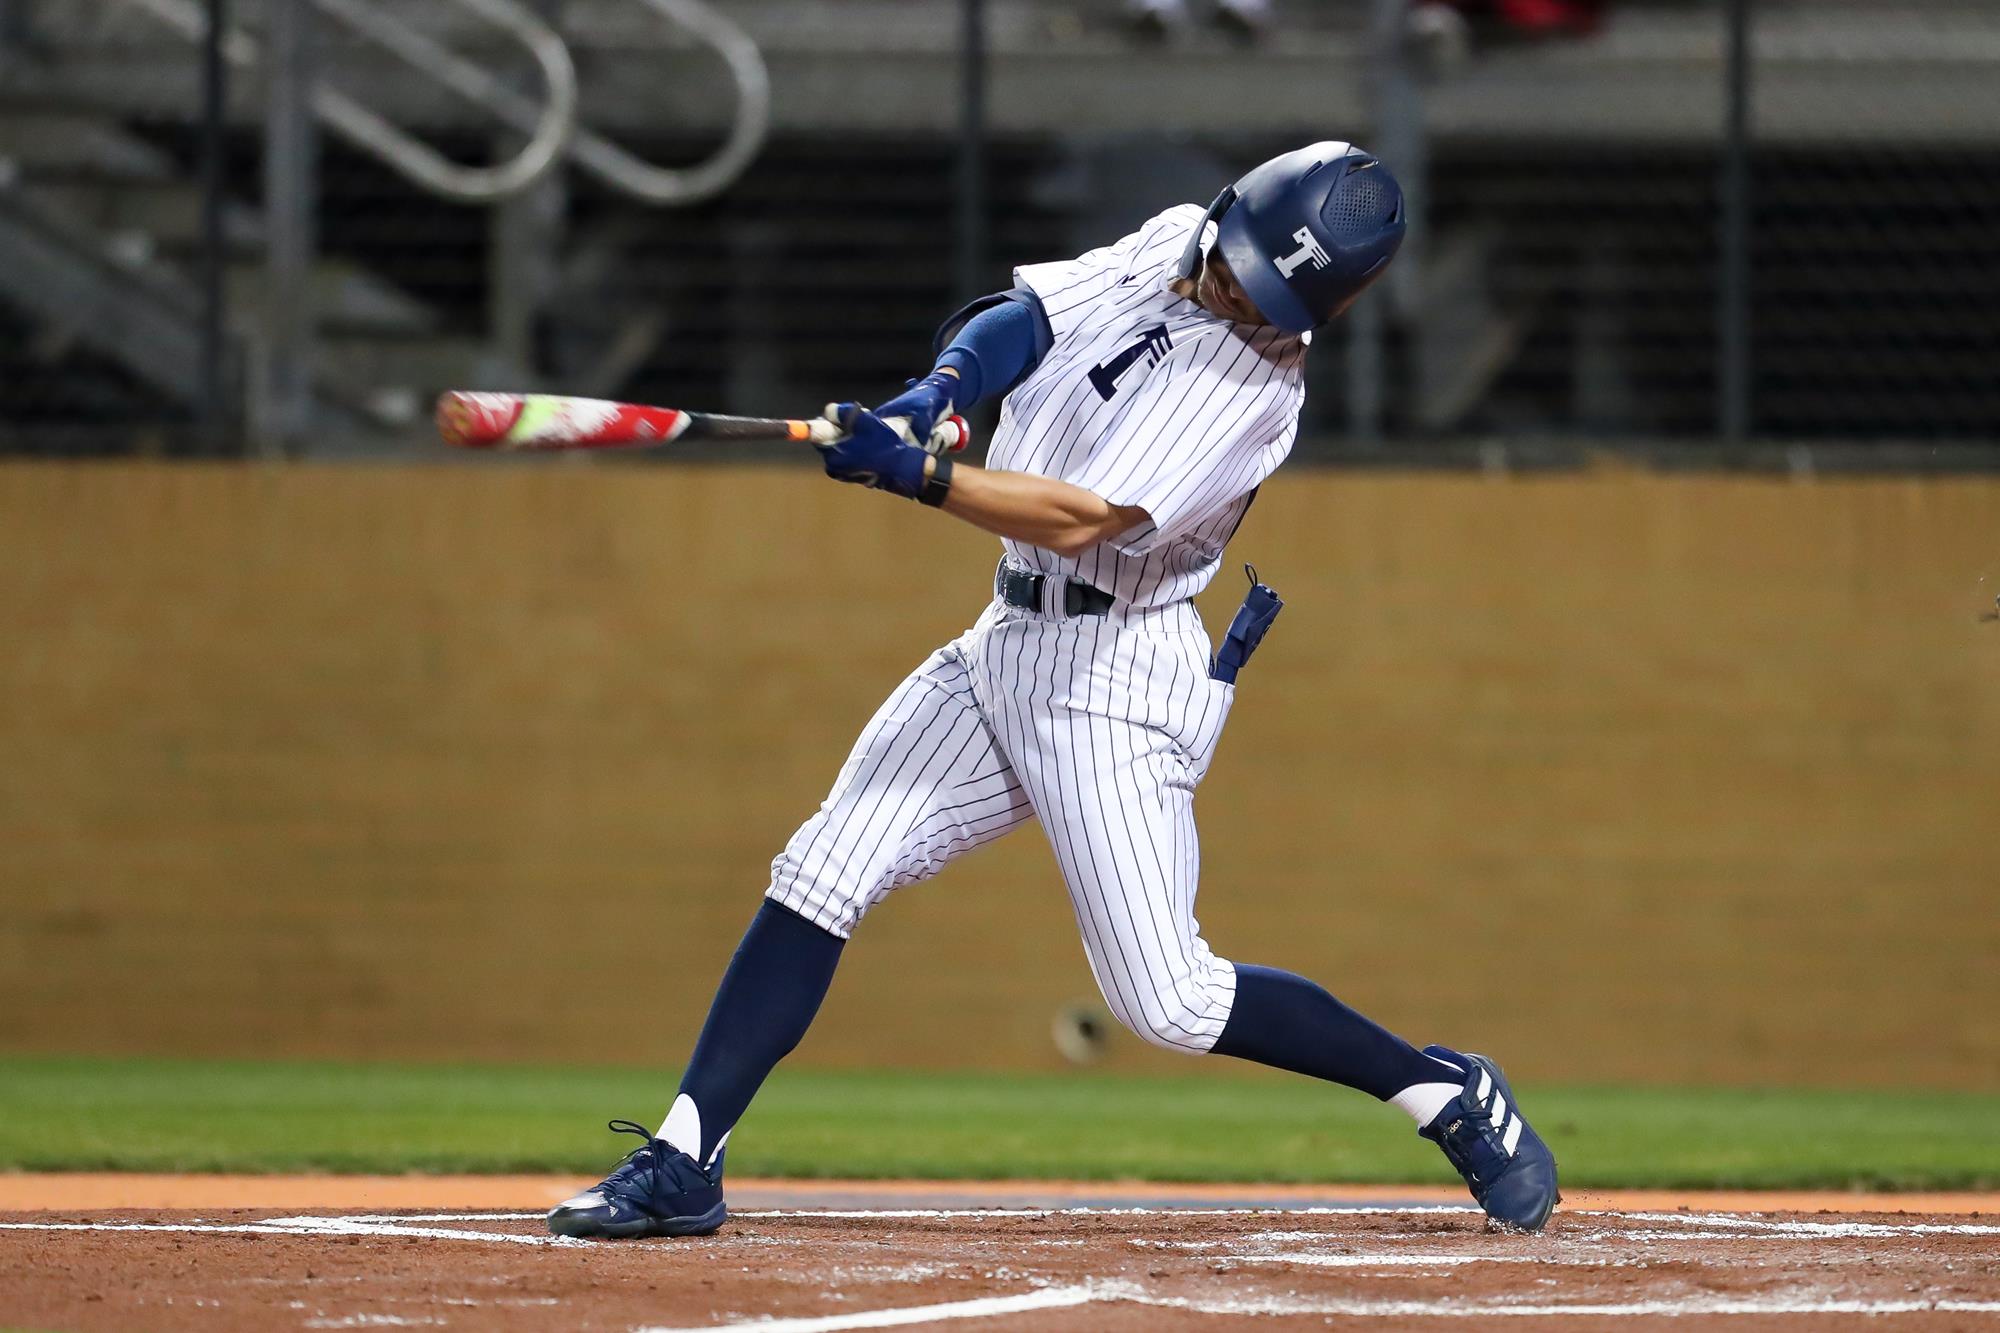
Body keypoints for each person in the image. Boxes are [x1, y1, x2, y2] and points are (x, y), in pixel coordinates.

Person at [547, 142, 1560, 1240]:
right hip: (1006, 643)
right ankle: (684, 1160)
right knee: (824, 867)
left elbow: (1081, 517)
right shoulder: (1173, 236)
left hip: (1113, 682)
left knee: (1165, 1000)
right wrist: (938, 392)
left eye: (1262, 289)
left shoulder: (1254, 392)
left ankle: (1444, 1095)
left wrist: (923, 475)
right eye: (1234, 261)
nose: (1229, 289)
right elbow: (1023, 317)